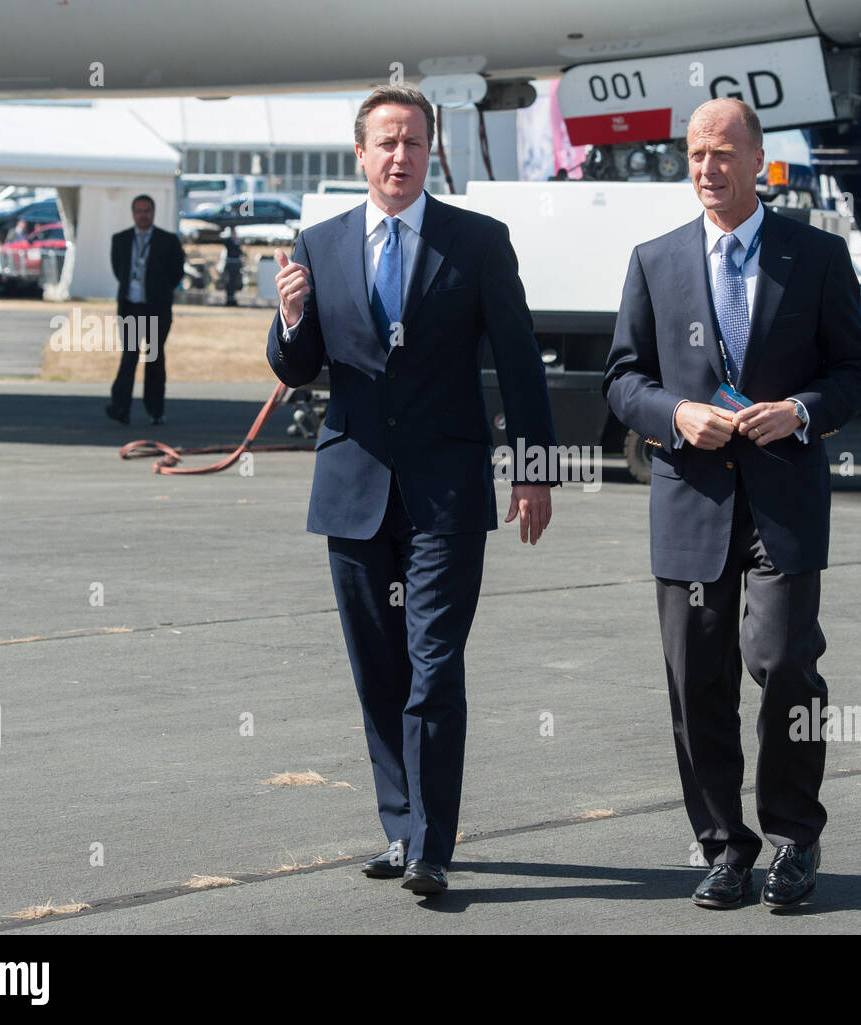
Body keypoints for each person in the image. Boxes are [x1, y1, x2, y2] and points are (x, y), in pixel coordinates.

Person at [266, 86, 556, 895]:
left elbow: (521, 362)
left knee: (433, 665)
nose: (401, 156)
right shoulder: (319, 245)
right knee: (379, 670)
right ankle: (399, 827)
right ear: (359, 153)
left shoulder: (477, 242)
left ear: (432, 153)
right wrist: (290, 321)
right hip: (354, 488)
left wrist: (533, 466)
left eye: (415, 143)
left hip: (447, 495)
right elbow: (297, 367)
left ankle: (431, 842)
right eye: (386, 142)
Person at [603, 98, 861, 910]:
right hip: (690, 502)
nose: (706, 167)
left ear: (757, 158)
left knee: (784, 660)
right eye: (694, 153)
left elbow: (860, 372)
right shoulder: (655, 260)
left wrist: (799, 410)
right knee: (698, 681)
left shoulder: (817, 256)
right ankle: (726, 846)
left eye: (722, 152)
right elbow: (624, 378)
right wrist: (675, 415)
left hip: (784, 503)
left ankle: (796, 834)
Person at [106, 195, 184, 426]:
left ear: (153, 212)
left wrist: (158, 290)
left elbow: (176, 272)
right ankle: (120, 408)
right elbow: (118, 269)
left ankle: (155, 410)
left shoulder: (167, 241)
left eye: (147, 211)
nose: (143, 215)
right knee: (129, 358)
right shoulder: (120, 240)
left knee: (154, 358)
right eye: (139, 211)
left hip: (156, 310)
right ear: (133, 213)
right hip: (131, 307)